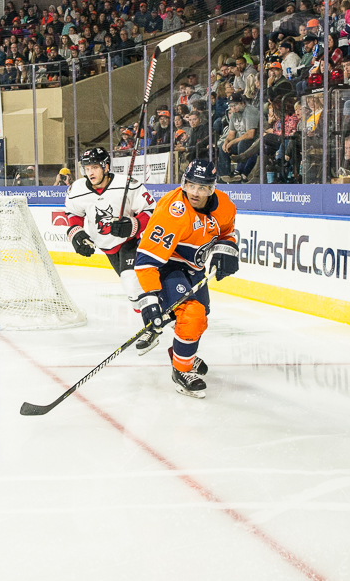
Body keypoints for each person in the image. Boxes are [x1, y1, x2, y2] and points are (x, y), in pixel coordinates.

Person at [135, 158, 238, 399]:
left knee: (201, 316)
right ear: (184, 183)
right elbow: (147, 261)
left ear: (212, 188)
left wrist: (228, 251)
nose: (195, 192)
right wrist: (149, 300)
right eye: (191, 185)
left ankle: (181, 353)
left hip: (195, 267)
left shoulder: (224, 205)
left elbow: (226, 233)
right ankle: (181, 371)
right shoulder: (173, 211)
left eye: (202, 187)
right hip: (168, 265)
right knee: (191, 313)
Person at [65, 147, 157, 347]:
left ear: (106, 167)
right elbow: (73, 214)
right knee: (133, 295)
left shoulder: (128, 185)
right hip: (107, 247)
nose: (90, 172)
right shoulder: (78, 189)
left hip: (130, 242)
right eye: (87, 168)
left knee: (131, 280)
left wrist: (132, 225)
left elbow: (151, 211)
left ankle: (152, 326)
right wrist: (76, 234)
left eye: (95, 167)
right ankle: (154, 310)